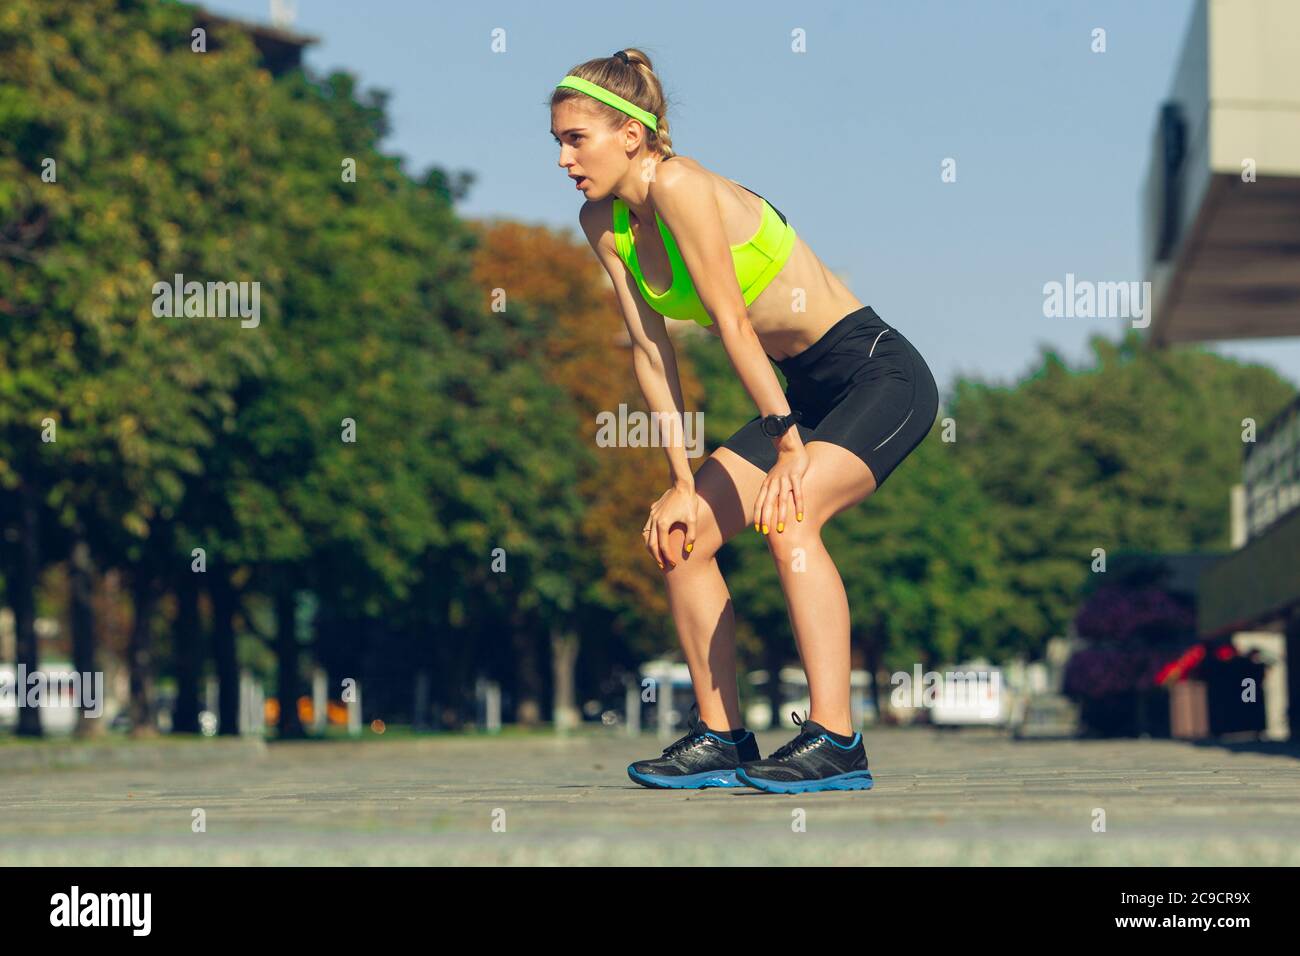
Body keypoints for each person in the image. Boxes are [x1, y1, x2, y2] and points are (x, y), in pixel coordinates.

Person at [551, 49, 939, 793]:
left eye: (578, 139)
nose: (566, 158)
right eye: (558, 143)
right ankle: (721, 737)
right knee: (681, 534)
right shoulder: (603, 220)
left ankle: (836, 739)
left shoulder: (682, 184)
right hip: (797, 392)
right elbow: (648, 348)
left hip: (876, 376)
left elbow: (732, 324)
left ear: (632, 134)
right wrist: (680, 481)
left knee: (789, 518)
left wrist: (790, 446)